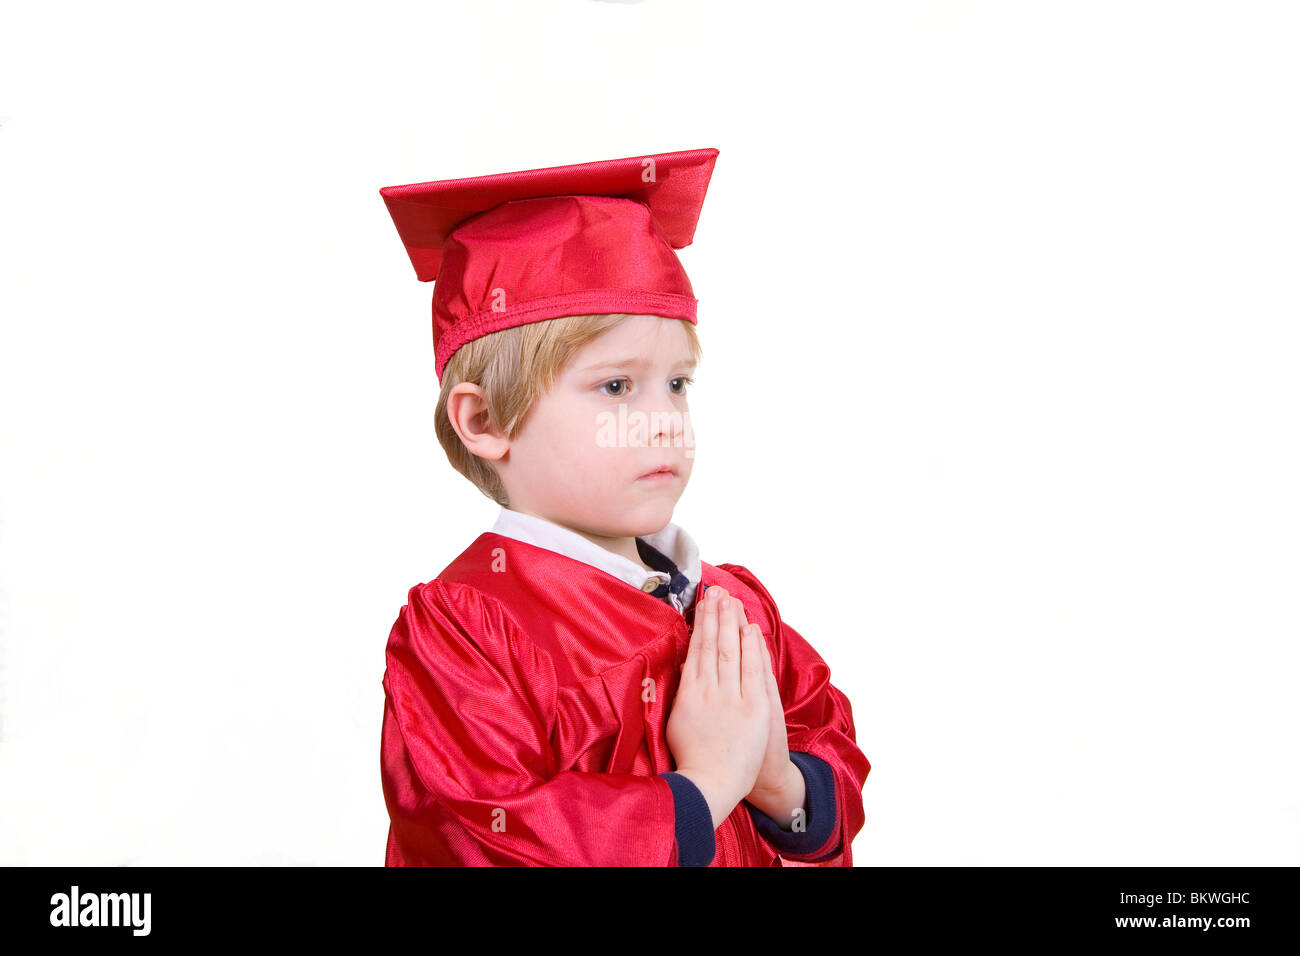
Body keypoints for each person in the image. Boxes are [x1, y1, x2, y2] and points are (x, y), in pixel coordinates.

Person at [378, 148, 870, 865]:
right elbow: (481, 832)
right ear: (484, 422)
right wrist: (699, 792)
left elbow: (828, 742)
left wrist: (778, 783)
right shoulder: (467, 633)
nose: (665, 418)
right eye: (616, 388)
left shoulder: (731, 606)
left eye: (677, 383)